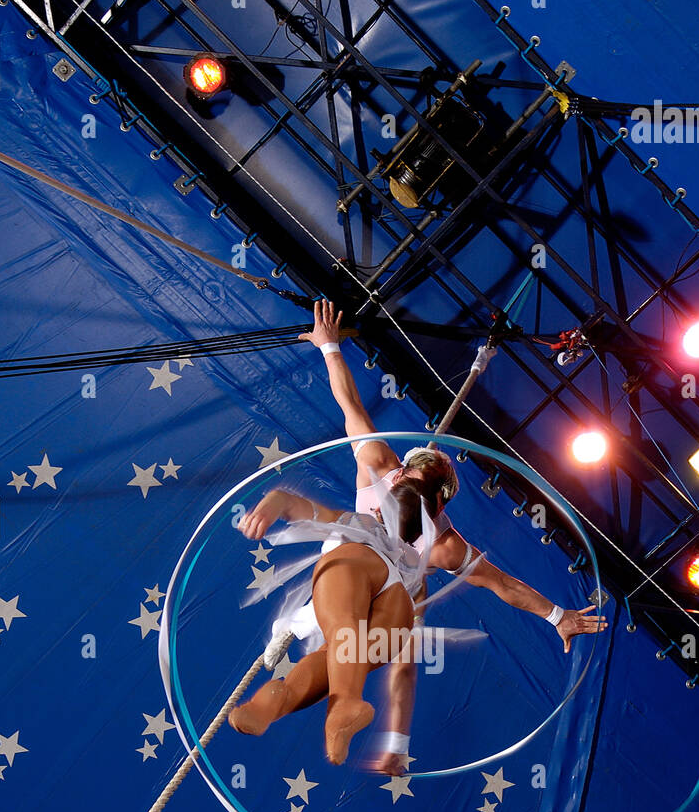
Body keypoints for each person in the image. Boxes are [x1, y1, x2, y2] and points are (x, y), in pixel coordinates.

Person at [242, 299, 606, 771]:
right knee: (361, 597)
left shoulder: (447, 543)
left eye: (421, 488)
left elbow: (502, 585)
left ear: (439, 504)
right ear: (399, 472)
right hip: (352, 559)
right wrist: (330, 346)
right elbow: (349, 404)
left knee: (374, 640)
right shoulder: (377, 463)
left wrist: (557, 615)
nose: (405, 490)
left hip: (378, 599)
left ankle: (289, 699)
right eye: (407, 480)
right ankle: (315, 659)